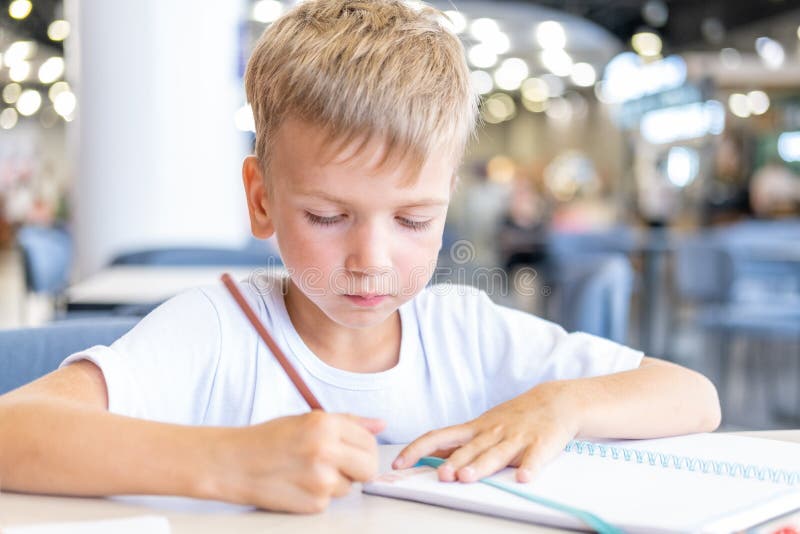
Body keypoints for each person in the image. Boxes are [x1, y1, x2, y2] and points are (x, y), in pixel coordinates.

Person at [0, 0, 720, 514]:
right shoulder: (217, 332)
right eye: (326, 216)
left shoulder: (467, 332)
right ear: (261, 200)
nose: (371, 259)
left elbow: (697, 399)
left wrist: (563, 403)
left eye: (413, 218)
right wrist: (226, 462)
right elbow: (11, 430)